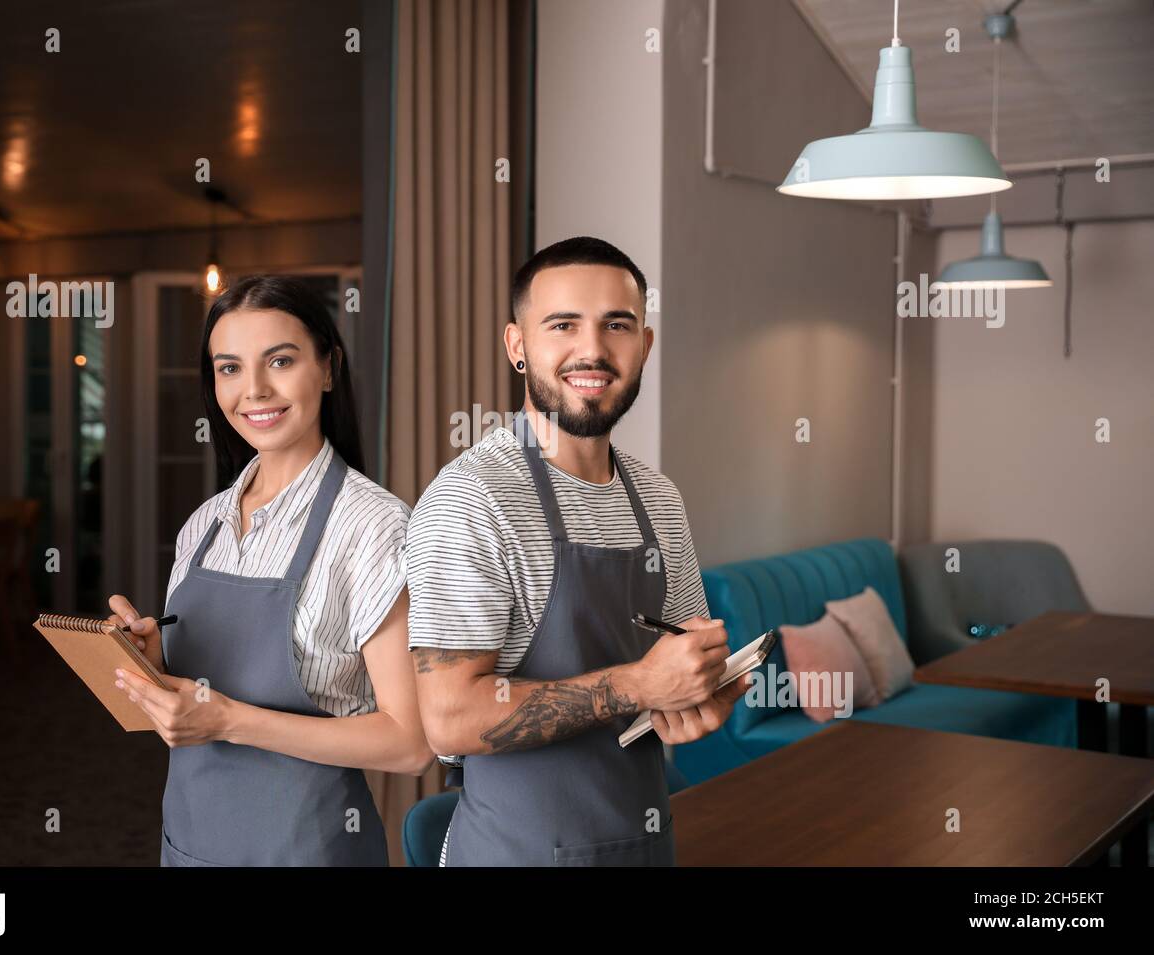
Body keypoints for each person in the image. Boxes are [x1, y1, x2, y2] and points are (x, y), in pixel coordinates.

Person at [407, 237, 749, 866]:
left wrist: (696, 696)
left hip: (644, 845)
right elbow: (449, 719)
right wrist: (639, 684)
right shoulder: (472, 499)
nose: (591, 350)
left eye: (616, 326)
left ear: (643, 346)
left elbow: (669, 668)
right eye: (562, 325)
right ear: (517, 346)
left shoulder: (658, 498)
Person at [110, 275, 432, 866]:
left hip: (309, 851)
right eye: (228, 368)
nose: (253, 390)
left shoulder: (373, 526)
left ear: (328, 367)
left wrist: (229, 721)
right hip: (191, 848)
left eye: (279, 361)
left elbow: (411, 743)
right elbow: (184, 711)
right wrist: (150, 663)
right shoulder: (202, 525)